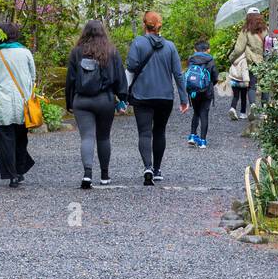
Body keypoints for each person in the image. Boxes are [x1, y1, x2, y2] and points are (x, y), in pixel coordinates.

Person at [125, 11, 188, 186]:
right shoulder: (170, 46)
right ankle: (158, 170)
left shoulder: (138, 43)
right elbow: (178, 74)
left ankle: (148, 167)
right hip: (165, 97)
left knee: (144, 133)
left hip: (142, 95)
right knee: (159, 131)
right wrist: (184, 98)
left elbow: (130, 68)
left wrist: (122, 95)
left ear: (145, 25)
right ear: (159, 25)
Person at [64, 19, 128, 189]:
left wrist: (69, 102)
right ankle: (105, 175)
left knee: (87, 137)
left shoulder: (77, 52)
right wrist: (122, 98)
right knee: (104, 137)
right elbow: (120, 77)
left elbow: (70, 79)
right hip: (104, 99)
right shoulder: (111, 51)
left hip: (82, 100)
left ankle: (87, 174)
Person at [0, 22, 37, 188]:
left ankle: (12, 176)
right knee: (21, 138)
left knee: (6, 139)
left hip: (4, 103)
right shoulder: (25, 52)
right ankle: (20, 170)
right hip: (23, 103)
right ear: (16, 35)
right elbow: (33, 76)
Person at [228, 8, 266, 120]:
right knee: (265, 86)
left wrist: (231, 58)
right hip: (266, 62)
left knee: (252, 86)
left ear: (248, 17)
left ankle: (253, 105)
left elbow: (239, 48)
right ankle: (265, 111)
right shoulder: (266, 29)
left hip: (252, 62)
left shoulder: (246, 31)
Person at [184, 39, 218, 148]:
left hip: (193, 90)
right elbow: (215, 77)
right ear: (208, 49)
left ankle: (192, 136)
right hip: (206, 91)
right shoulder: (210, 60)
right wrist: (211, 84)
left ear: (195, 49)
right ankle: (203, 141)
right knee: (204, 114)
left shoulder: (191, 59)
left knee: (196, 112)